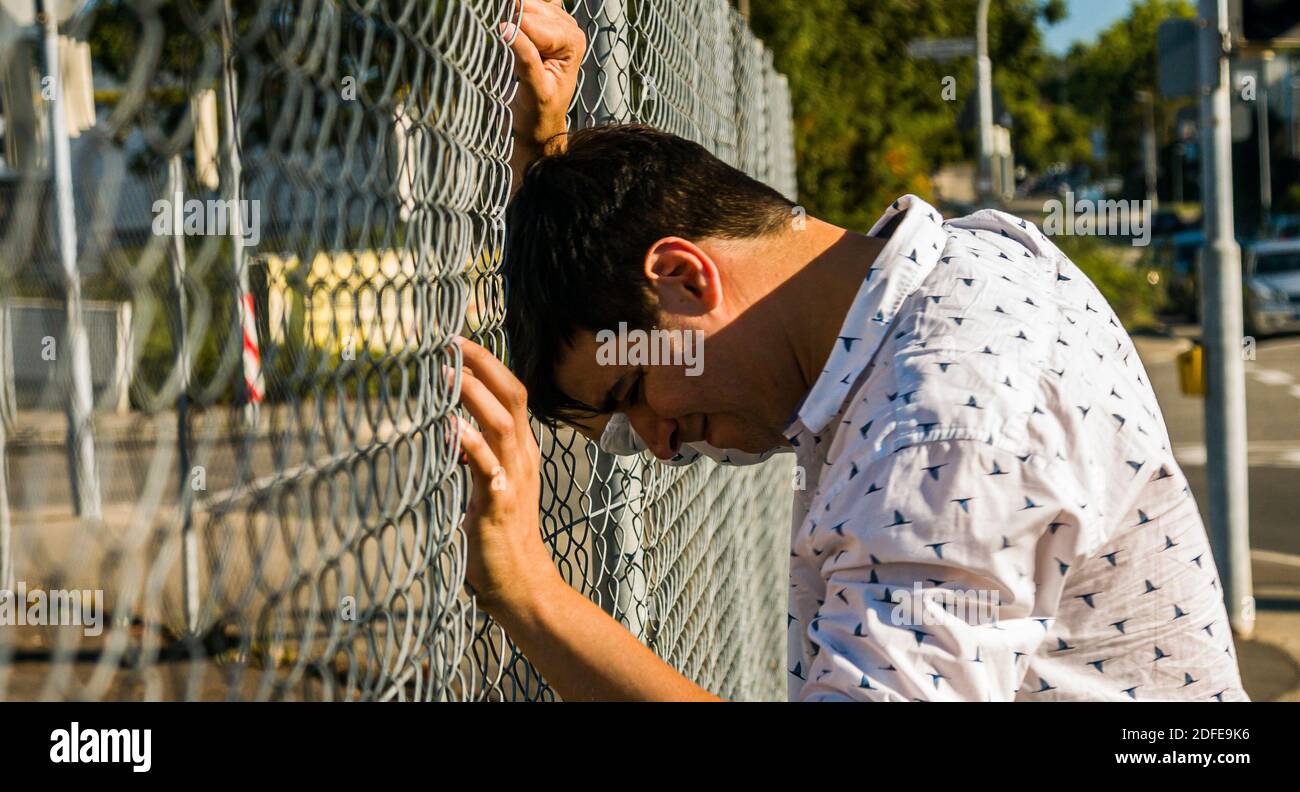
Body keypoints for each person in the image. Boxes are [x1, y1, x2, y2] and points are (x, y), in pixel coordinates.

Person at [451, 0, 1249, 701]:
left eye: (631, 388)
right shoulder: (961, 265)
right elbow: (623, 393)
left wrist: (530, 595)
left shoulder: (940, 433)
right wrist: (545, 161)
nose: (653, 445)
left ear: (685, 277)